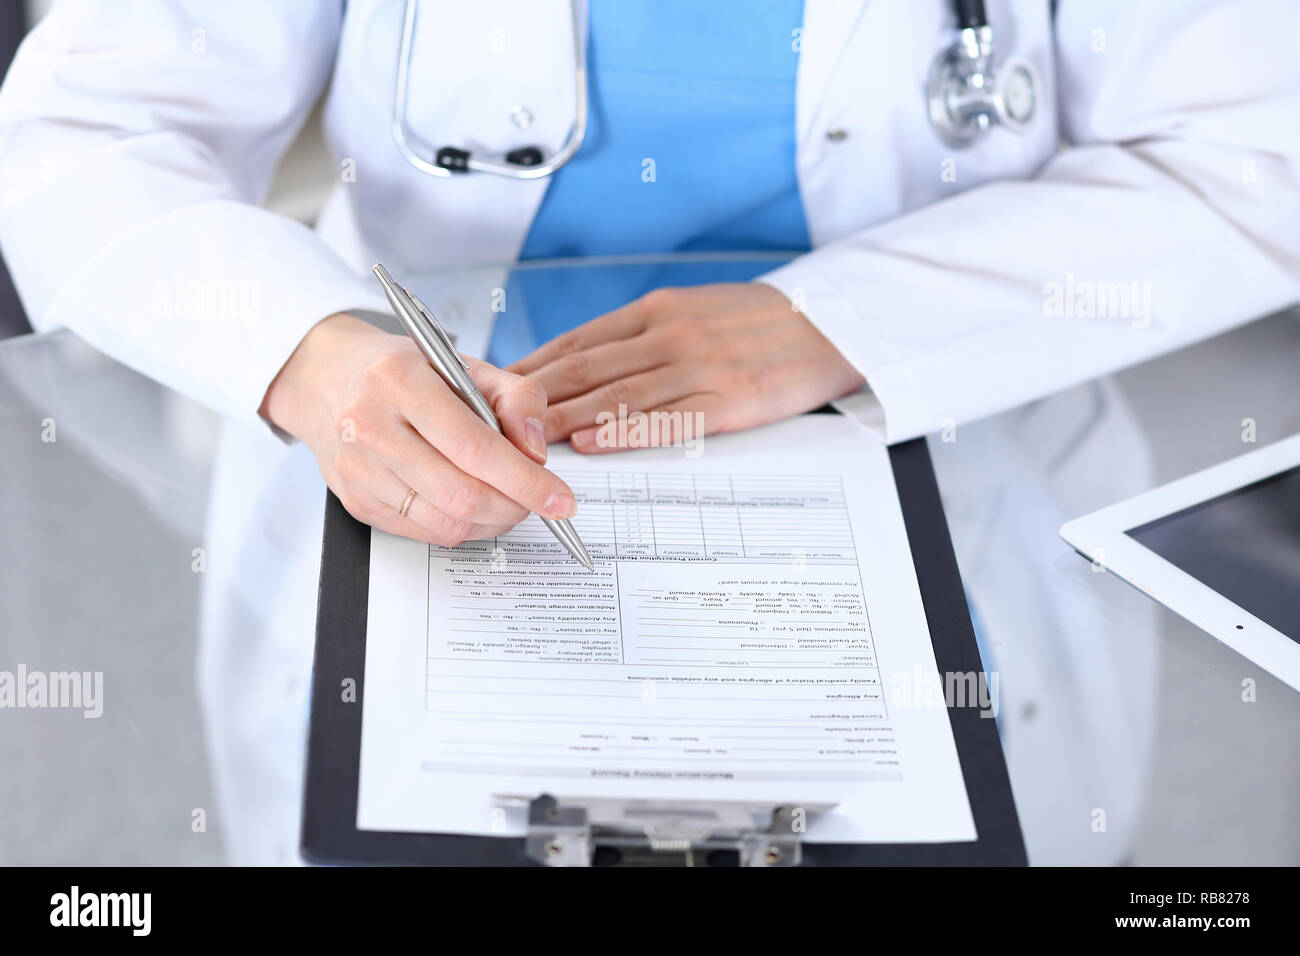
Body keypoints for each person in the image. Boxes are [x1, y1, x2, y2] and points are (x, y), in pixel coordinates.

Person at [0, 0, 1296, 865]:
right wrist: (306, 349)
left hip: (953, 466)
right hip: (429, 473)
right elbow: (85, 133)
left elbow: (1252, 146)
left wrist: (844, 320)